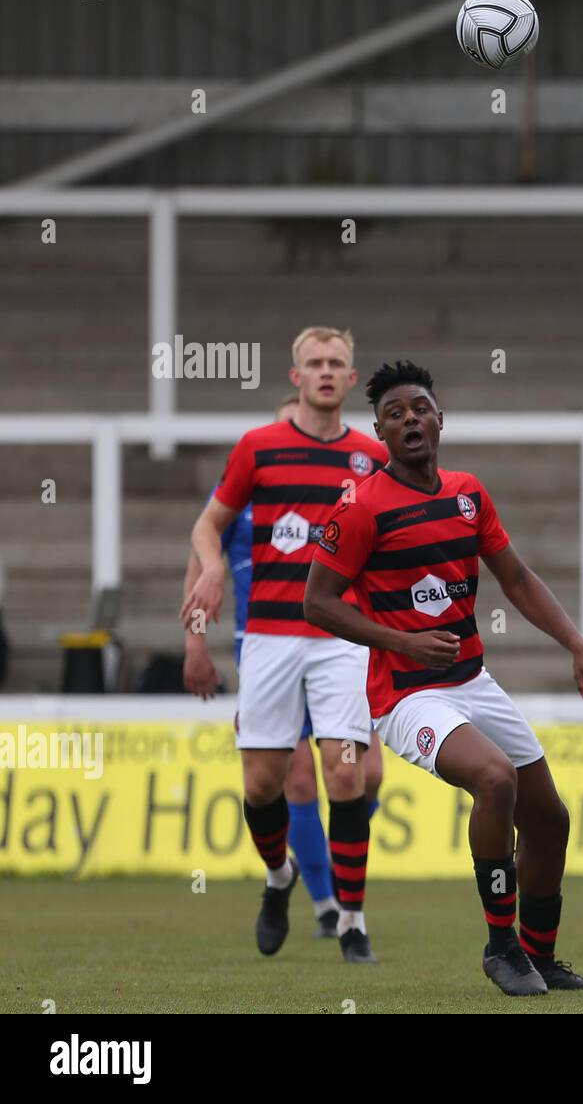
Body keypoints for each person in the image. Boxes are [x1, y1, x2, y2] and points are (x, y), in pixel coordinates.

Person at [304, 359, 583, 996]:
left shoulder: (467, 494)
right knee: (493, 777)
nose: (410, 419)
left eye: (420, 408)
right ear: (380, 434)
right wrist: (403, 642)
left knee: (551, 820)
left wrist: (579, 645)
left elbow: (518, 580)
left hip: (473, 681)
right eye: (395, 414)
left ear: (440, 420)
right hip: (405, 695)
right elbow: (318, 602)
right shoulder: (361, 508)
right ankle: (500, 946)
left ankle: (542, 955)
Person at [180, 327, 388, 963]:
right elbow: (208, 526)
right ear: (295, 376)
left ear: (351, 380)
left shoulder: (371, 457)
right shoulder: (258, 448)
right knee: (264, 783)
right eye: (314, 363)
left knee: (348, 772)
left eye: (337, 364)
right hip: (268, 637)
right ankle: (279, 879)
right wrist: (211, 568)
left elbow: (388, 548)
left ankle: (350, 921)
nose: (326, 372)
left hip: (341, 638)